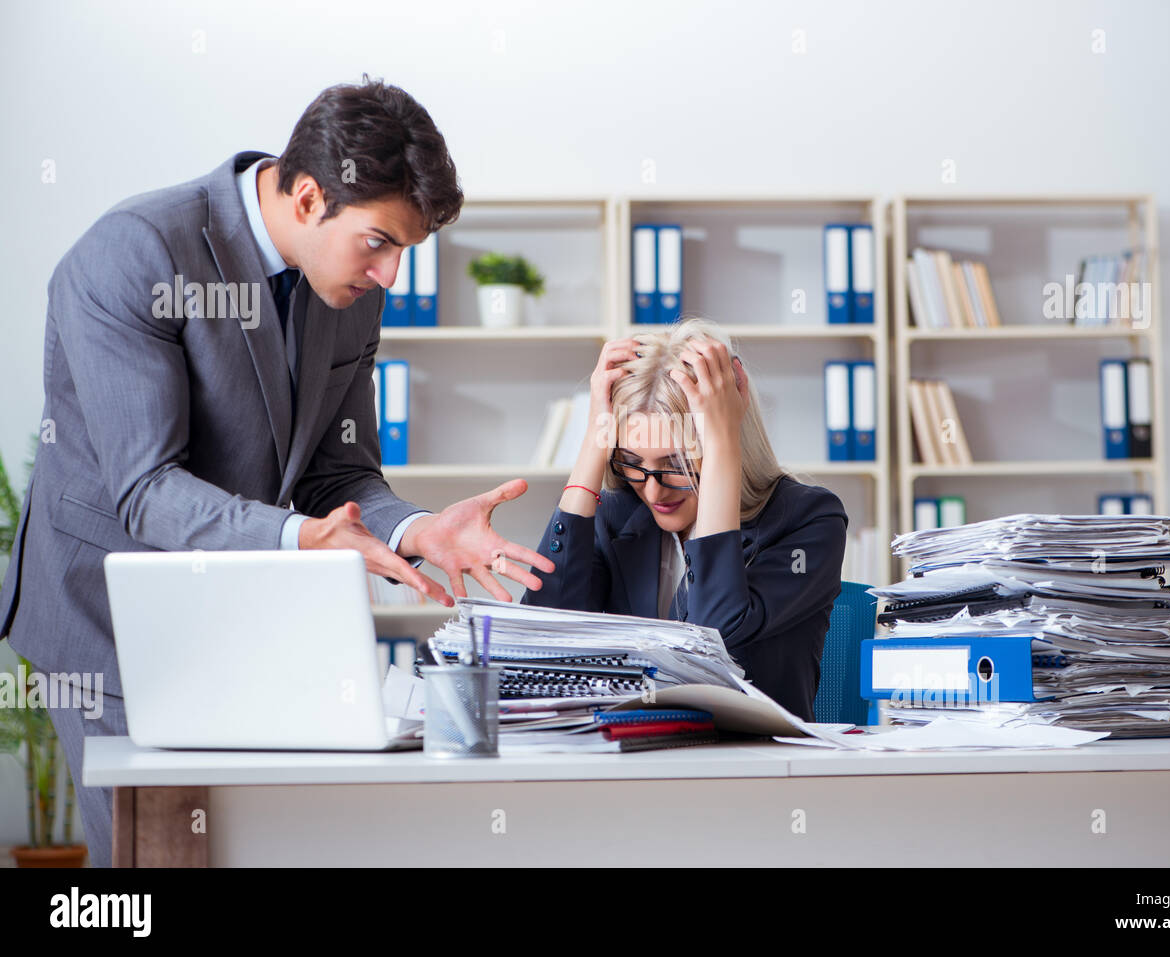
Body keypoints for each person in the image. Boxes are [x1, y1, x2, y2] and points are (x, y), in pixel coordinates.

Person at [0, 77, 554, 866]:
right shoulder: (135, 250)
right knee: (155, 855)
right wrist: (302, 540)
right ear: (305, 199)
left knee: (248, 840)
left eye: (405, 250)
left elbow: (338, 475)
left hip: (235, 602)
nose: (392, 275)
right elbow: (146, 488)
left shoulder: (351, 287)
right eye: (379, 243)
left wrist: (417, 529)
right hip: (104, 610)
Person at [521, 318, 848, 720]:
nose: (654, 492)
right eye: (632, 462)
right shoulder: (618, 516)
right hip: (632, 759)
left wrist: (723, 445)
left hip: (752, 766)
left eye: (676, 464)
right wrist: (594, 440)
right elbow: (540, 637)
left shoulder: (808, 519)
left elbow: (711, 641)